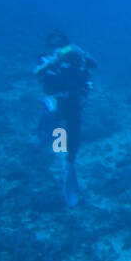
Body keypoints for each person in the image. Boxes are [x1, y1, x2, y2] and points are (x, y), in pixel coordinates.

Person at [33, 30, 96, 207]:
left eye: (62, 46)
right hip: (56, 102)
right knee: (56, 125)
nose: (59, 49)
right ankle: (51, 144)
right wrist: (54, 60)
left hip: (74, 102)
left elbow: (93, 65)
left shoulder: (76, 57)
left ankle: (69, 160)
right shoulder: (47, 60)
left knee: (74, 131)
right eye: (55, 46)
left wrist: (81, 55)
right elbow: (37, 74)